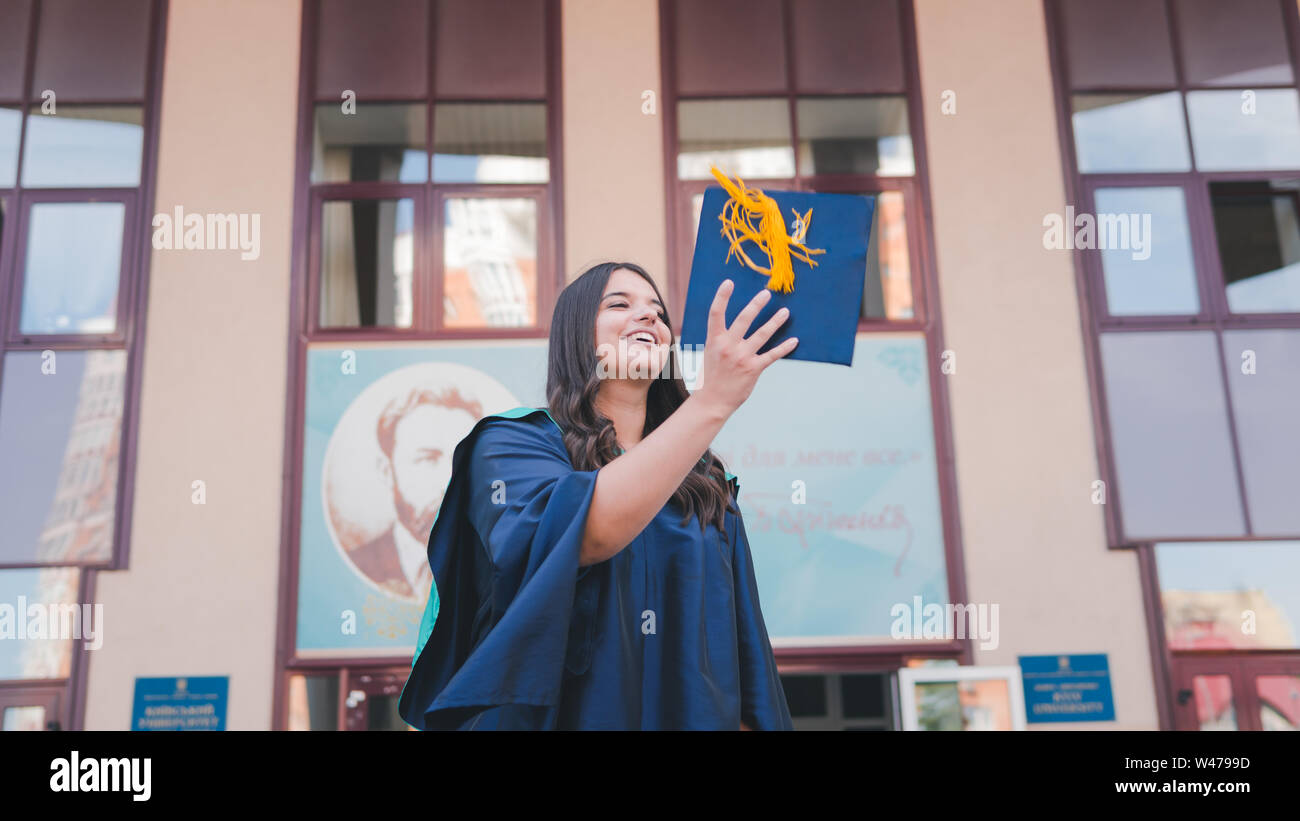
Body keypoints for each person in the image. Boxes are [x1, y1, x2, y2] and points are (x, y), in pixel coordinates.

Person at [398, 261, 797, 730]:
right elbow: (587, 533)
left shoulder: (706, 485)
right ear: (576, 335)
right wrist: (713, 402)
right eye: (620, 304)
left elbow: (746, 660)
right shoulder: (514, 446)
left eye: (658, 311)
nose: (649, 317)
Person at [348, 387, 481, 600]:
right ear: (387, 471)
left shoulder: (502, 563)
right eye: (428, 459)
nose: (450, 480)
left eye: (464, 459)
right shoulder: (362, 564)